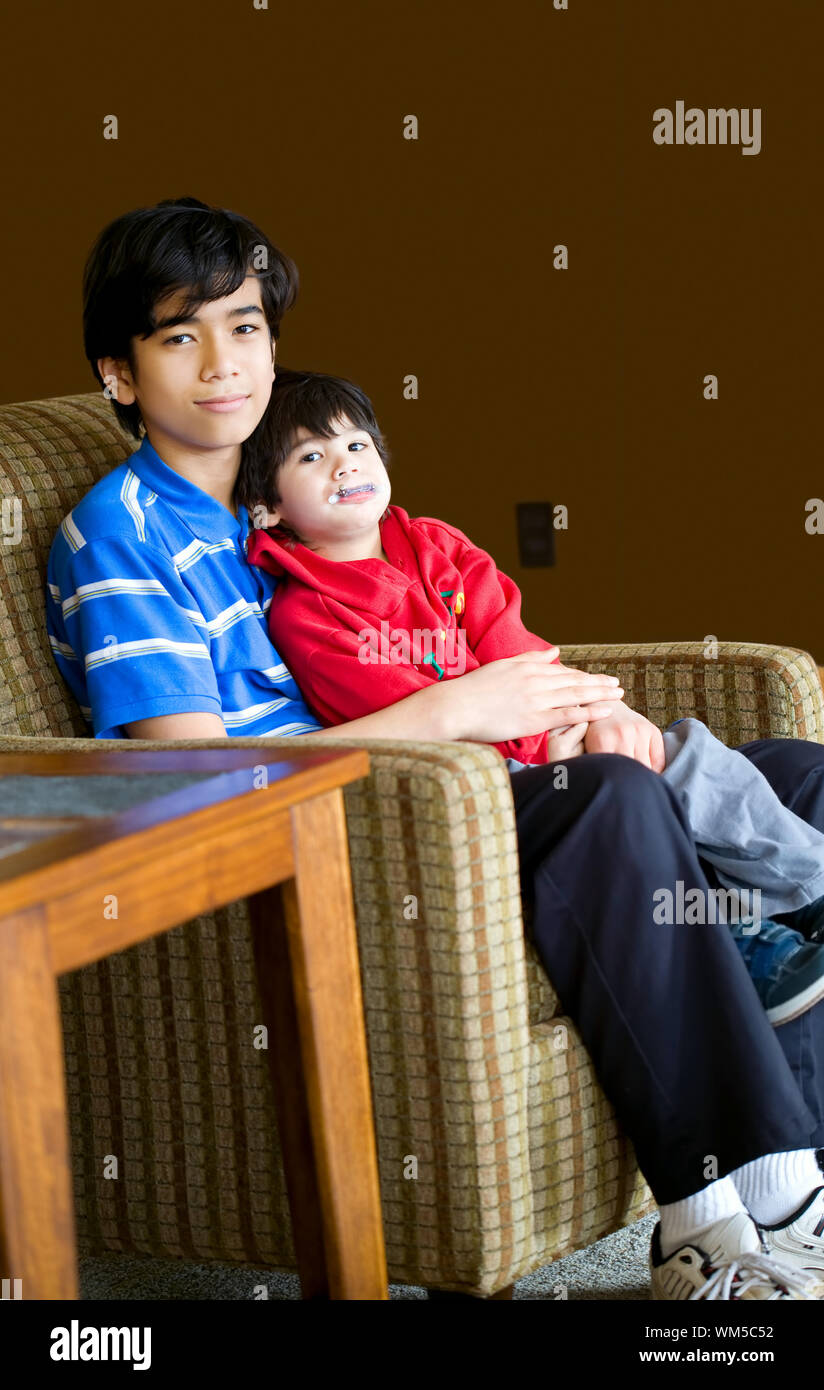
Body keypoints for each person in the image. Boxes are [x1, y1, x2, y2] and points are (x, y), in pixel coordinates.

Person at [45, 196, 824, 1299]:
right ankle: (727, 1221)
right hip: (344, 833)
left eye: (246, 325)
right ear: (120, 375)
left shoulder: (281, 506)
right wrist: (454, 710)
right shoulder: (123, 530)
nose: (224, 362)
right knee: (608, 801)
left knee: (793, 775)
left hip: (453, 787)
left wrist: (577, 701)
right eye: (180, 336)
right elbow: (189, 780)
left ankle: (798, 1189)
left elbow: (456, 620)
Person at [243, 367, 824, 1031]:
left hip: (542, 730)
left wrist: (589, 714)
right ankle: (744, 947)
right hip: (463, 771)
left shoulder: (437, 544)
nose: (344, 466)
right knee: (611, 798)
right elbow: (412, 710)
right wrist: (545, 744)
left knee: (681, 750)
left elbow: (512, 641)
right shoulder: (306, 613)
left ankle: (808, 890)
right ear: (270, 505)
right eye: (312, 456)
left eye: (357, 446)